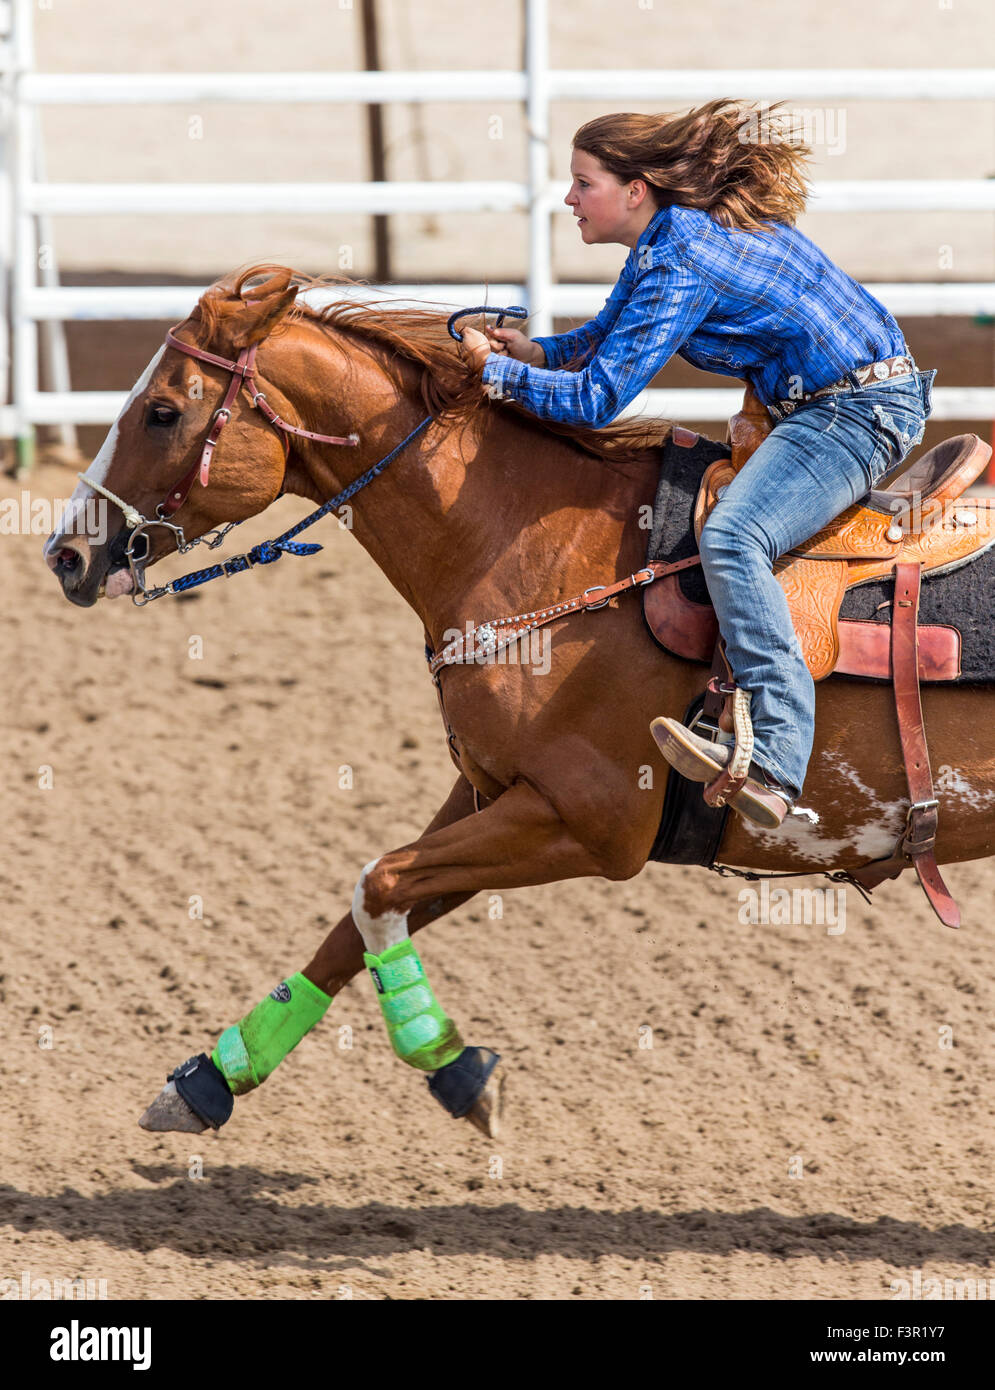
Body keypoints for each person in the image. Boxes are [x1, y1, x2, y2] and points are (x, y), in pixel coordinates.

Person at [460, 99, 934, 829]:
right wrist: (529, 354)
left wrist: (489, 378)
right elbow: (599, 341)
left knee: (733, 538)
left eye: (582, 182)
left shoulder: (679, 254)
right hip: (825, 405)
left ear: (634, 191)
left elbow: (595, 400)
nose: (567, 198)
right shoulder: (664, 239)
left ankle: (776, 763)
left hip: (855, 414)